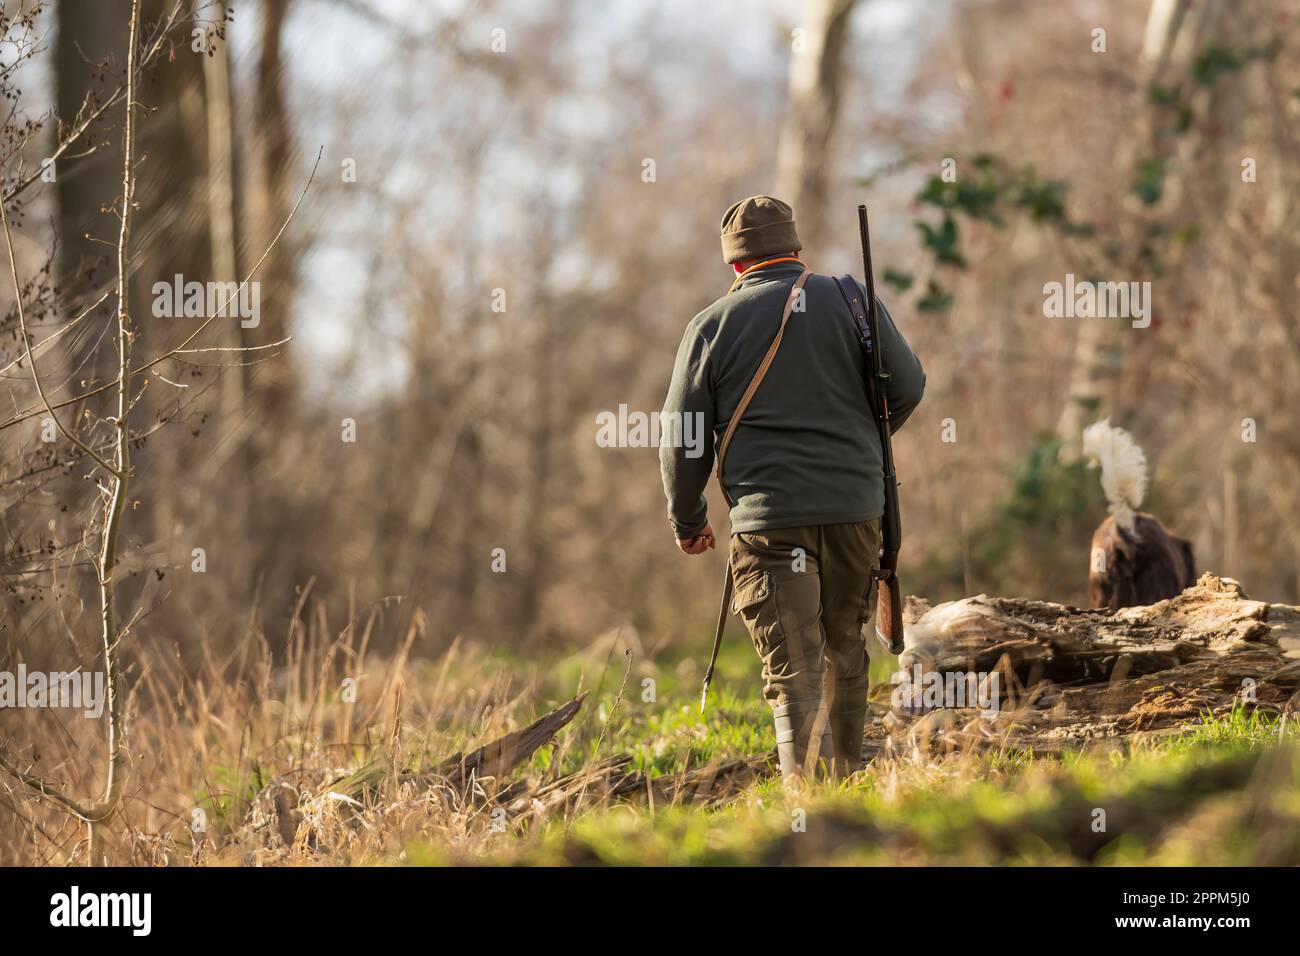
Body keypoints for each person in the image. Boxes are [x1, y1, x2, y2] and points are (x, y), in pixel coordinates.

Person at [659, 195, 925, 778]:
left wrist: (688, 518)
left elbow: (683, 437)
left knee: (793, 671)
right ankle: (846, 789)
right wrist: (861, 445)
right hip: (857, 509)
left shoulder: (709, 327)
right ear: (797, 248)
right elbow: (907, 385)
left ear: (734, 265)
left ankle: (809, 809)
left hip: (768, 521)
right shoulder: (852, 300)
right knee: (846, 652)